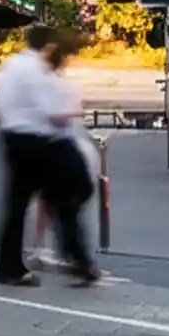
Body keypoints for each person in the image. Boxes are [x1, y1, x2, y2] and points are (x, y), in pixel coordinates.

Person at [0, 24, 73, 287]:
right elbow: (50, 110)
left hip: (10, 137)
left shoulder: (11, 65)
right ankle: (76, 256)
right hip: (33, 142)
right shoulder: (36, 69)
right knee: (58, 196)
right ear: (48, 45)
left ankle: (9, 262)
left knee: (16, 203)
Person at [27, 33, 100, 282]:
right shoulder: (65, 87)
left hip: (58, 152)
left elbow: (52, 116)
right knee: (67, 209)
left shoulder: (46, 86)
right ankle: (76, 258)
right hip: (76, 152)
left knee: (60, 208)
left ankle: (76, 259)